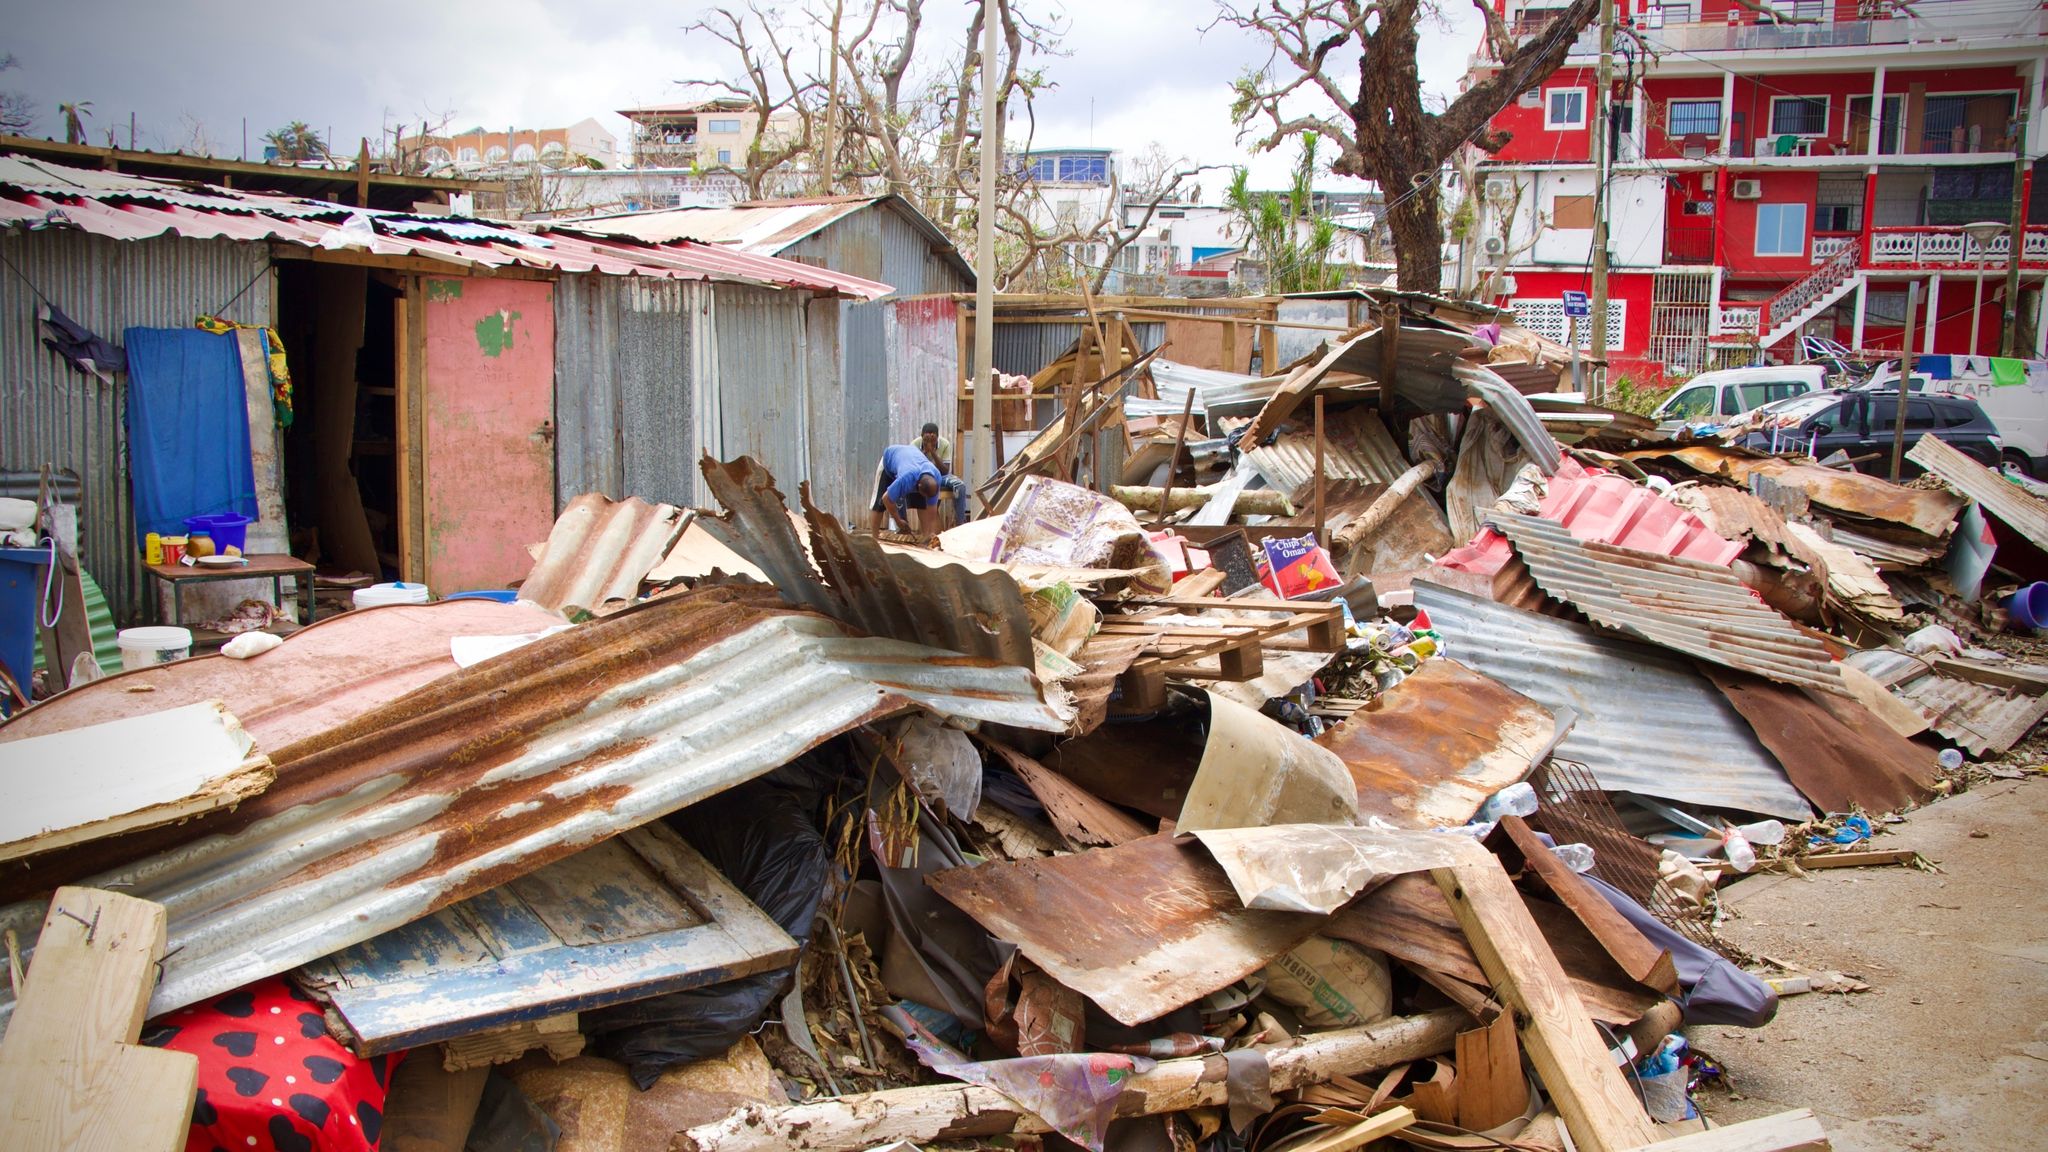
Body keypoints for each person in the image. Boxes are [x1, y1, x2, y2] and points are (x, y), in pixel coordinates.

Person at [870, 443, 943, 533]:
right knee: (879, 504)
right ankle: (875, 539)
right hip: (889, 460)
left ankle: (926, 538)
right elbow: (886, 499)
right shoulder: (906, 478)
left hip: (911, 459)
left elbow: (932, 513)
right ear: (918, 486)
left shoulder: (936, 477)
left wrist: (931, 536)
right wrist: (898, 521)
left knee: (922, 505)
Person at [919, 422, 971, 527]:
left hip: (940, 476)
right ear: (921, 437)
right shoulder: (915, 444)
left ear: (938, 438)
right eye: (926, 440)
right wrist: (924, 451)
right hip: (921, 476)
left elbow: (945, 471)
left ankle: (960, 523)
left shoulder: (944, 444)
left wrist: (933, 452)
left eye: (933, 440)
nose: (930, 443)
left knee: (960, 486)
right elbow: (913, 467)